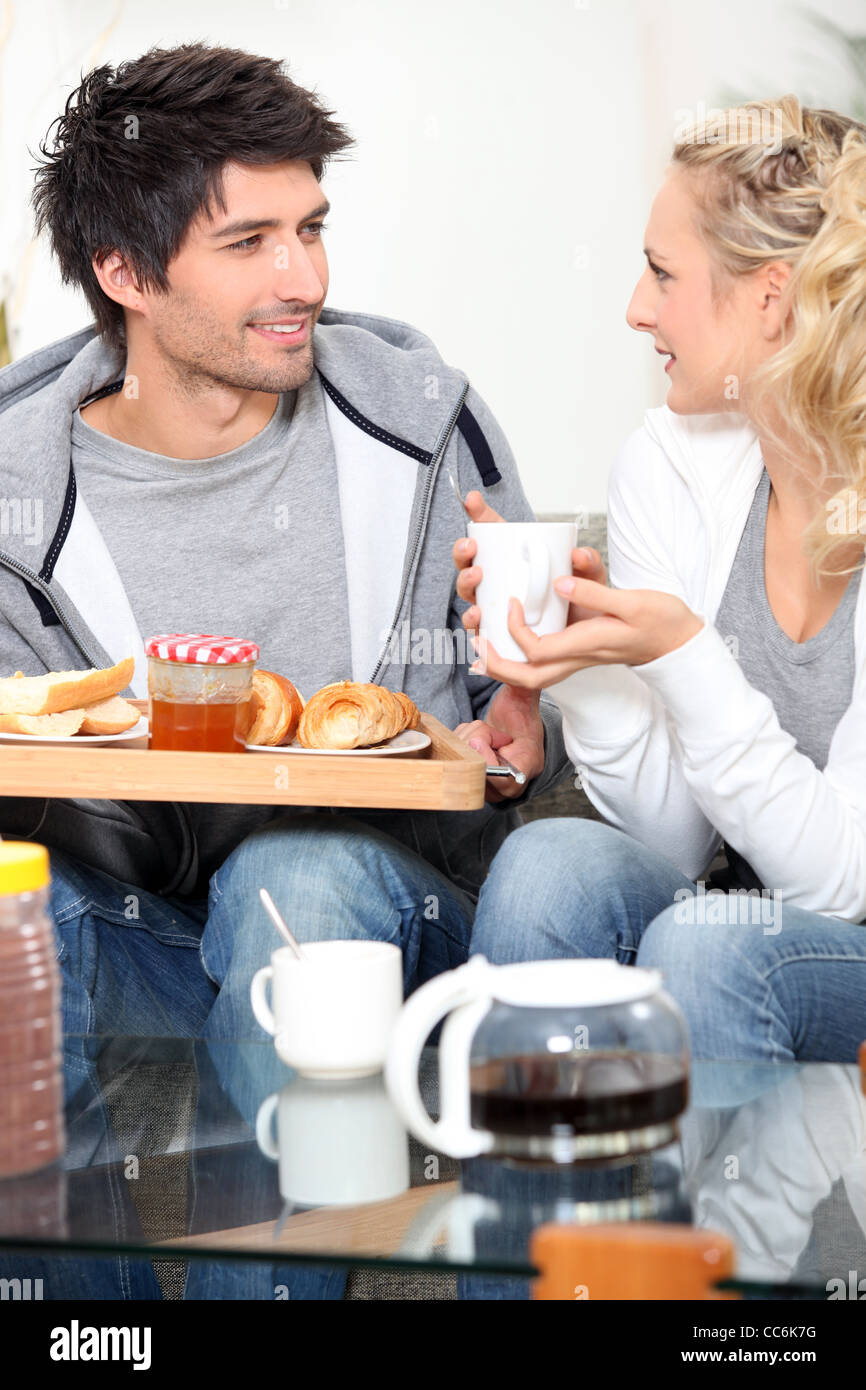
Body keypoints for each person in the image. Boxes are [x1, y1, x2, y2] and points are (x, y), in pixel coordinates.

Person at [0, 42, 568, 1299]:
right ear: (124, 273)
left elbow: (509, 716)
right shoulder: (14, 492)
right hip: (143, 915)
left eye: (310, 228)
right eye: (250, 241)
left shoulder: (419, 420)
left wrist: (519, 726)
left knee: (289, 878)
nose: (302, 277)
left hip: (386, 910)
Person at [457, 96, 866, 1072]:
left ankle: (722, 1231)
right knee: (546, 867)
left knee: (710, 947)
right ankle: (523, 1216)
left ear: (768, 296)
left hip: (827, 925)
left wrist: (680, 651)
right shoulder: (668, 462)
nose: (636, 310)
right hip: (732, 918)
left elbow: (838, 882)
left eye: (662, 274)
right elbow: (671, 842)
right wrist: (586, 659)